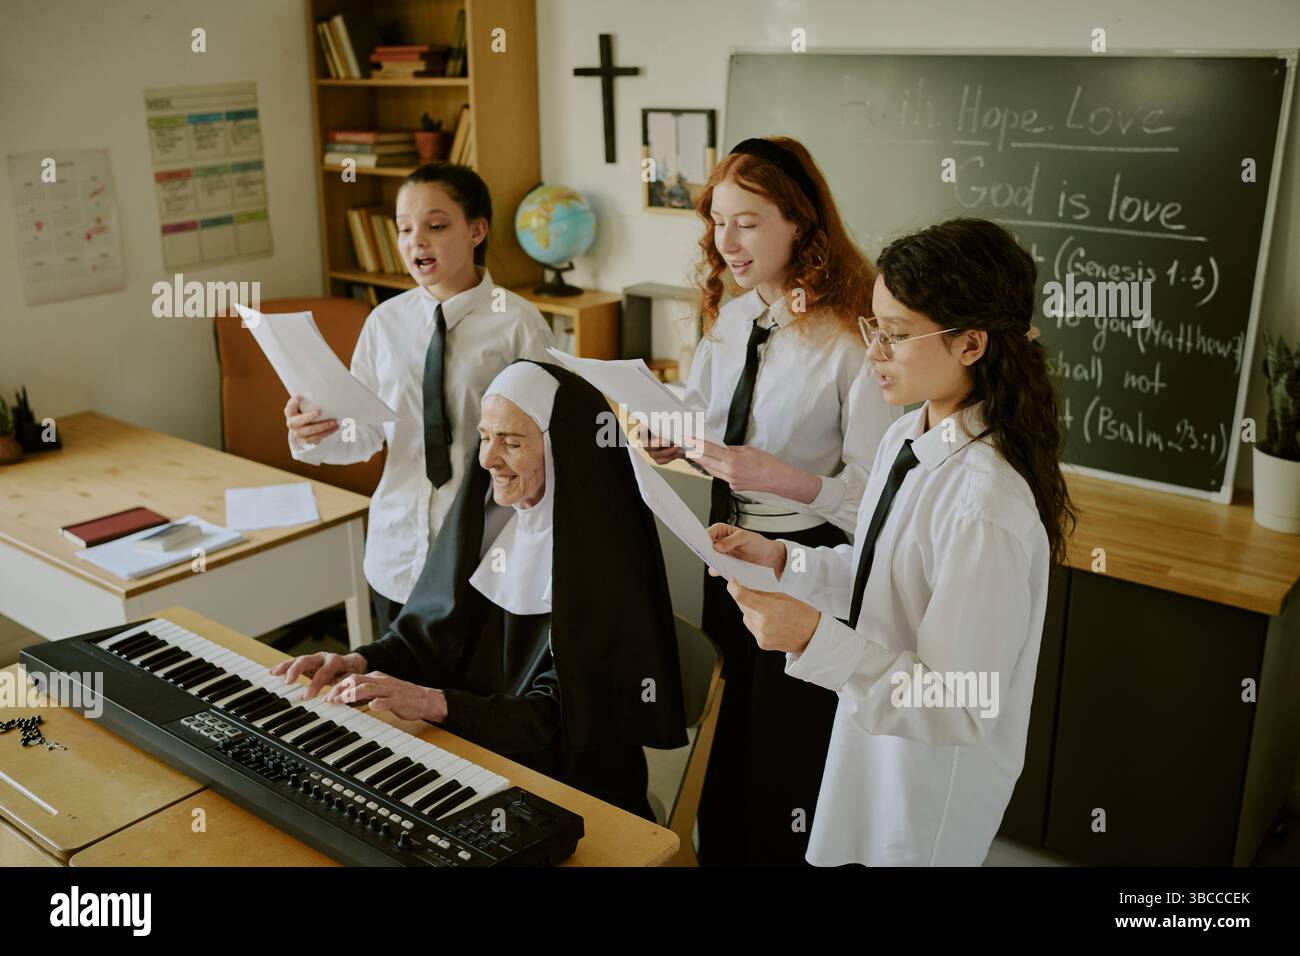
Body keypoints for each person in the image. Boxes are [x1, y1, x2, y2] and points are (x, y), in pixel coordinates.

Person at [711, 218, 1077, 865]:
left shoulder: (984, 506)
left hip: (925, 786)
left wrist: (810, 639)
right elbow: (881, 575)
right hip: (871, 743)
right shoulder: (905, 436)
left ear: (970, 344)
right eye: (872, 326)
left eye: (898, 334)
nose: (873, 350)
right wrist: (783, 559)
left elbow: (957, 704)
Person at [273, 361, 688, 820]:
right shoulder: (488, 521)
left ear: (562, 449)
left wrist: (433, 703)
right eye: (484, 437)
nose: (488, 459)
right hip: (468, 751)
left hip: (565, 787)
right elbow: (428, 639)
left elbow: (560, 725)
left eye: (511, 442)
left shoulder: (607, 561)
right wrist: (360, 661)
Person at [645, 135, 896, 865]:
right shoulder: (733, 317)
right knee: (729, 732)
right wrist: (673, 431)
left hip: (809, 565)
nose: (726, 241)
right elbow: (704, 409)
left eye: (747, 221)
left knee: (788, 748)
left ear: (799, 222)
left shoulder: (853, 342)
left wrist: (780, 477)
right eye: (717, 221)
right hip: (726, 548)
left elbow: (876, 504)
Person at [284, 162, 554, 632]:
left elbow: (546, 444)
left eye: (435, 225)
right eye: (405, 228)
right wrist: (315, 433)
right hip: (396, 554)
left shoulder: (518, 324)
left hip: (486, 553)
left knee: (462, 701)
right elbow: (364, 433)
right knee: (391, 695)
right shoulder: (384, 323)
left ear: (476, 230)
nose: (416, 242)